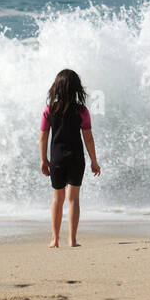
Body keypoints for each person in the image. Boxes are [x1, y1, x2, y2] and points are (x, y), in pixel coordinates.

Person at [39, 69, 100, 247]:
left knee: (57, 198)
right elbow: (88, 138)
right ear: (76, 89)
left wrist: (43, 159)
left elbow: (43, 137)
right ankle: (72, 240)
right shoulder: (82, 111)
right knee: (73, 199)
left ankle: (54, 239)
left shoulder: (49, 110)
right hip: (76, 159)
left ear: (56, 88)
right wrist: (94, 161)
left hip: (57, 160)